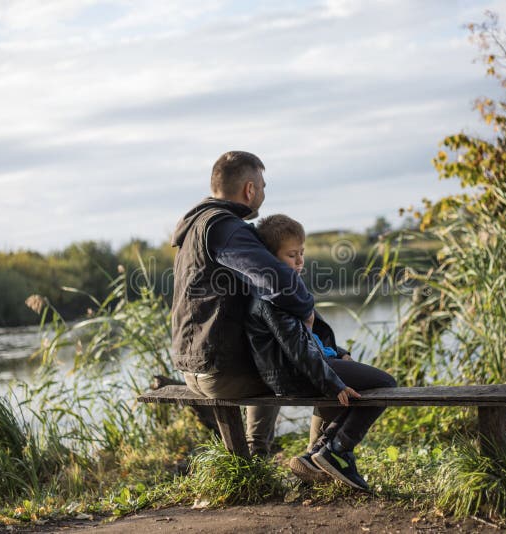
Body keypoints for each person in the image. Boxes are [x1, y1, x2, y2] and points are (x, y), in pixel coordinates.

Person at [170, 151, 315, 456]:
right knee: (330, 371)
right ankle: (321, 458)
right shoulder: (225, 227)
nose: (263, 192)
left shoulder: (195, 226)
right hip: (218, 372)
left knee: (270, 349)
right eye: (262, 185)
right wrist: (306, 310)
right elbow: (277, 280)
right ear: (250, 189)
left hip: (192, 366)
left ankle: (256, 458)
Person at [246, 214, 397, 491]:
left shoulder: (286, 287)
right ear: (269, 259)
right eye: (292, 255)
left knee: (369, 384)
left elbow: (311, 336)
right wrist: (331, 381)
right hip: (297, 372)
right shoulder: (271, 293)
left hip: (315, 362)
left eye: (302, 253)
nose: (300, 261)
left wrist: (339, 353)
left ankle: (317, 454)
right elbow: (295, 347)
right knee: (387, 384)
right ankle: (338, 448)